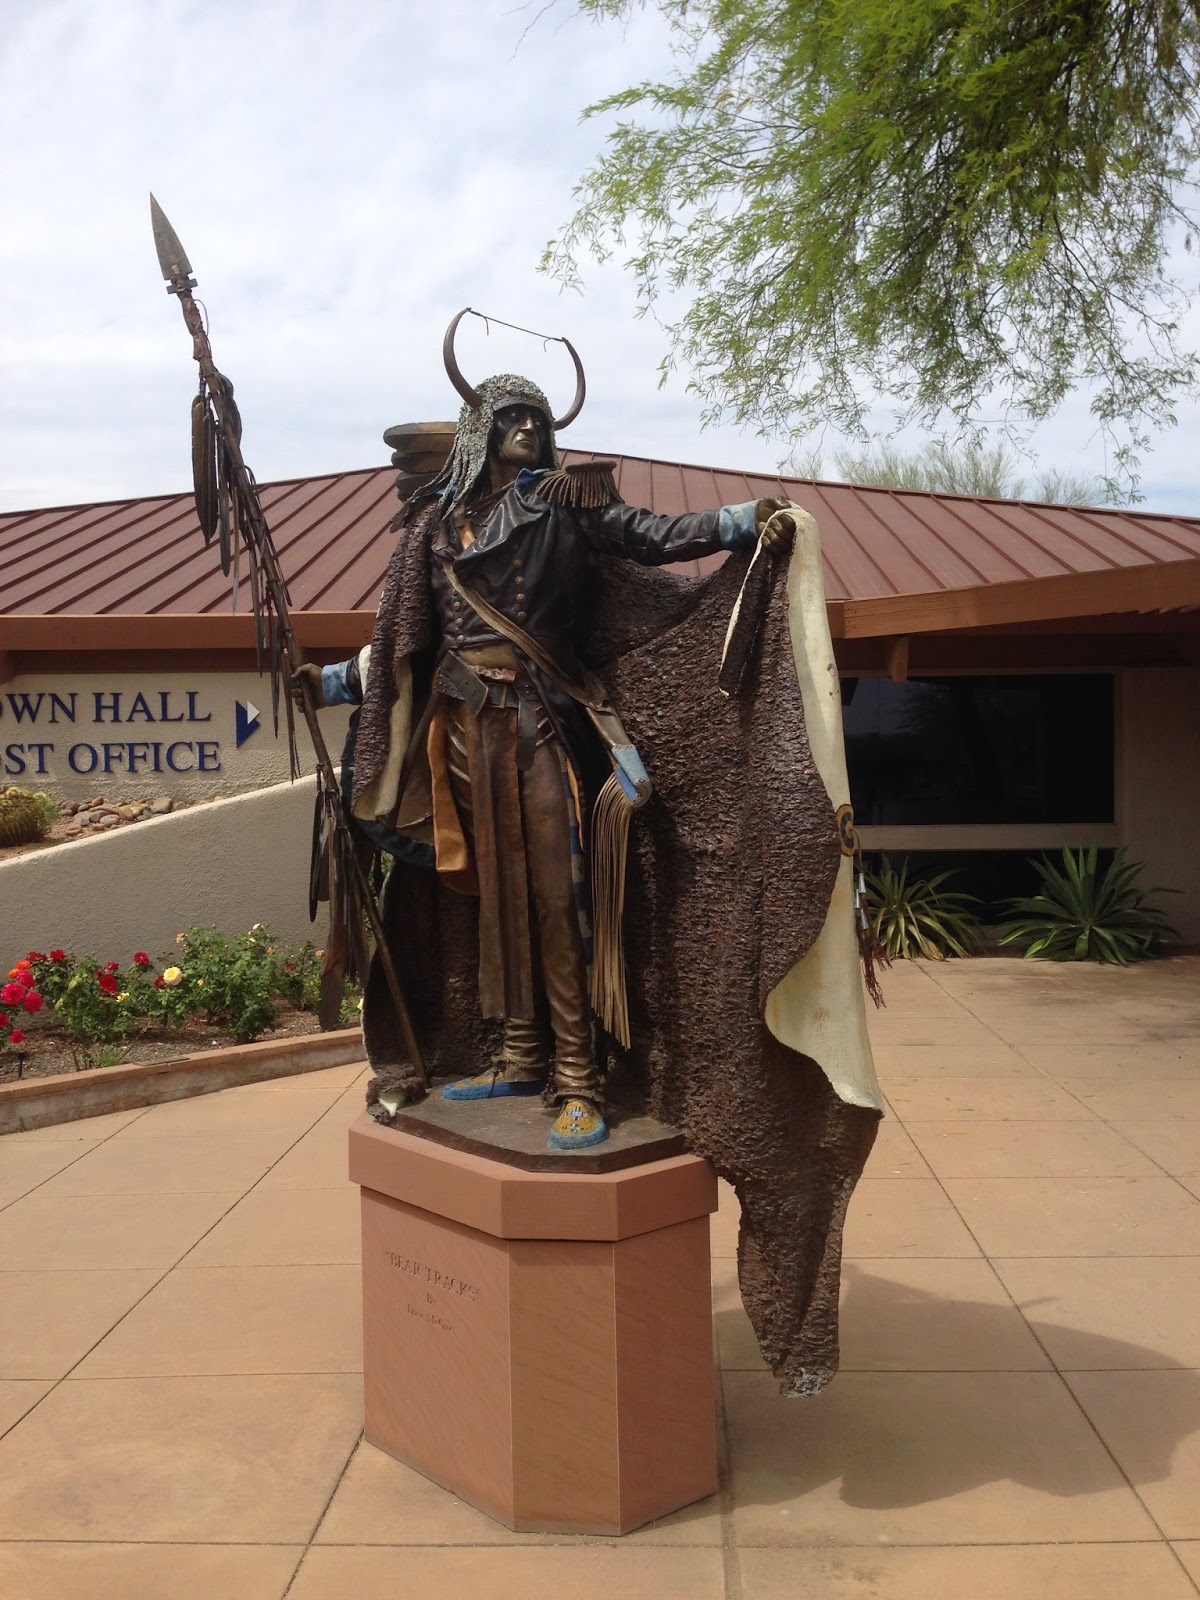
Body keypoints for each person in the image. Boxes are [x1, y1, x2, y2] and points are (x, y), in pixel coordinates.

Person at [301, 341, 794, 1151]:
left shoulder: (567, 501)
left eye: (537, 415)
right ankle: (522, 1054)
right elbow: (406, 644)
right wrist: (327, 685)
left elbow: (651, 534)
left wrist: (738, 521)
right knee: (500, 899)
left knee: (557, 898)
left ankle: (577, 1077)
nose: (527, 426)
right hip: (458, 728)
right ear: (479, 429)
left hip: (537, 717)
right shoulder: (434, 526)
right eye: (510, 414)